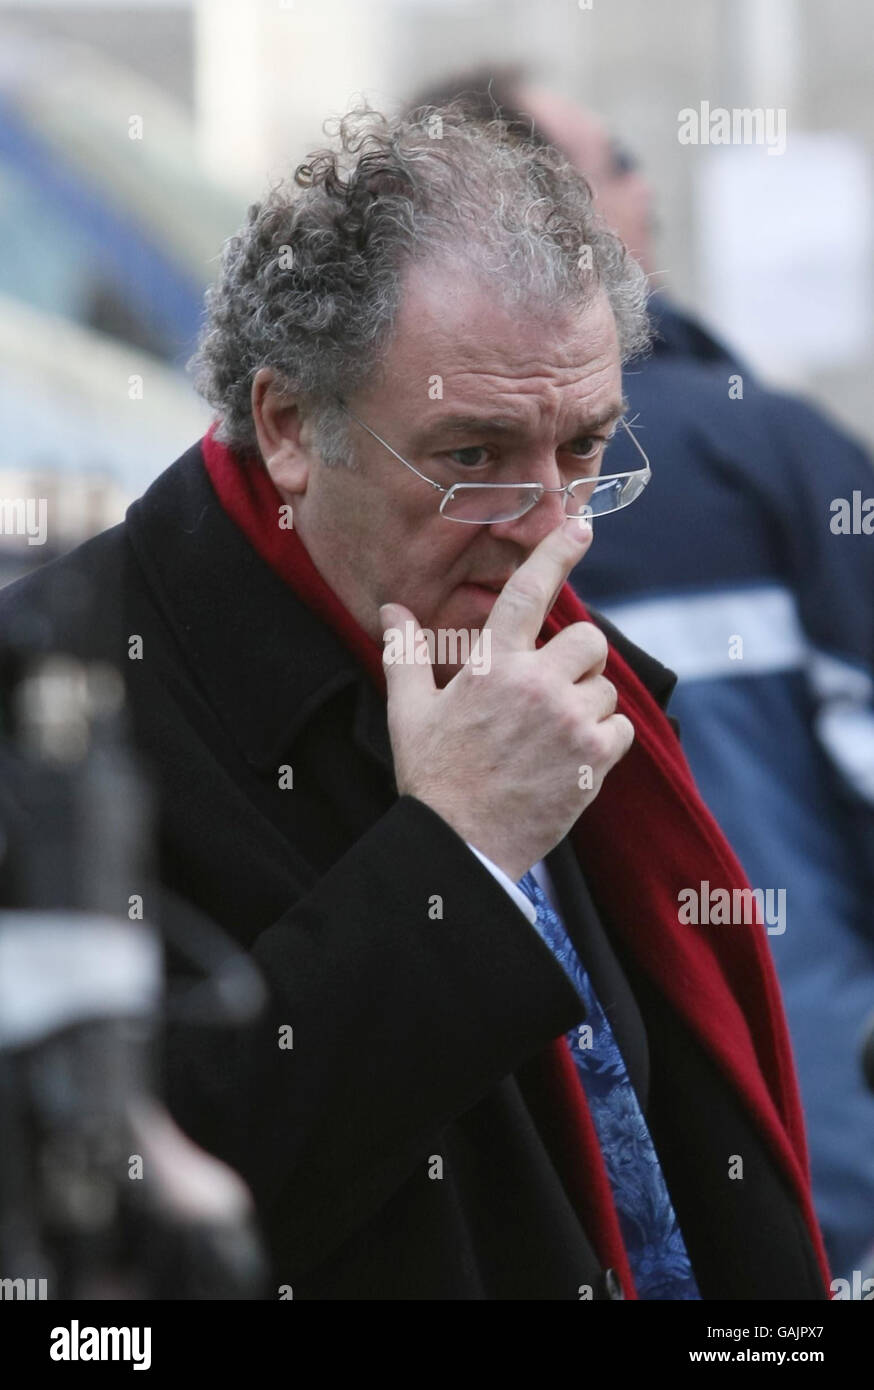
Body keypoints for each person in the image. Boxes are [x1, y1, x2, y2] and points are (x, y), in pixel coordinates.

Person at [0, 103, 830, 1300]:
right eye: (473, 458)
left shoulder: (550, 661)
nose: (554, 528)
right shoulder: (60, 697)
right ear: (290, 425)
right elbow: (104, 1232)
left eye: (586, 447)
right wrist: (458, 860)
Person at [405, 68, 874, 1278]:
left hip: (566, 1212)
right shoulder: (769, 450)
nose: (555, 512)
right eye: (610, 157)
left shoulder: (381, 525)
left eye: (586, 460)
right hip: (814, 1164)